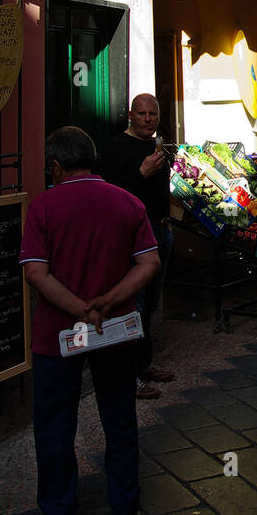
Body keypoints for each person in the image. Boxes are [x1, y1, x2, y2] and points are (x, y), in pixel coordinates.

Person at [20, 126, 160, 515]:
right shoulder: (128, 202)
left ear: (56, 166)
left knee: (55, 423)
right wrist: (106, 303)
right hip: (114, 329)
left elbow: (35, 273)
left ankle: (59, 508)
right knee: (118, 415)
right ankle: (123, 500)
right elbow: (148, 264)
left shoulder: (43, 208)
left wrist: (79, 308)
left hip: (56, 335)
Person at [98, 94, 174, 399]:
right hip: (134, 237)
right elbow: (107, 194)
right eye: (142, 114)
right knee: (136, 304)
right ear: (131, 115)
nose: (148, 119)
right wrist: (140, 173)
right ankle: (129, 375)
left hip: (161, 231)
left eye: (153, 114)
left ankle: (144, 364)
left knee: (152, 302)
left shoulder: (155, 147)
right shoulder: (117, 147)